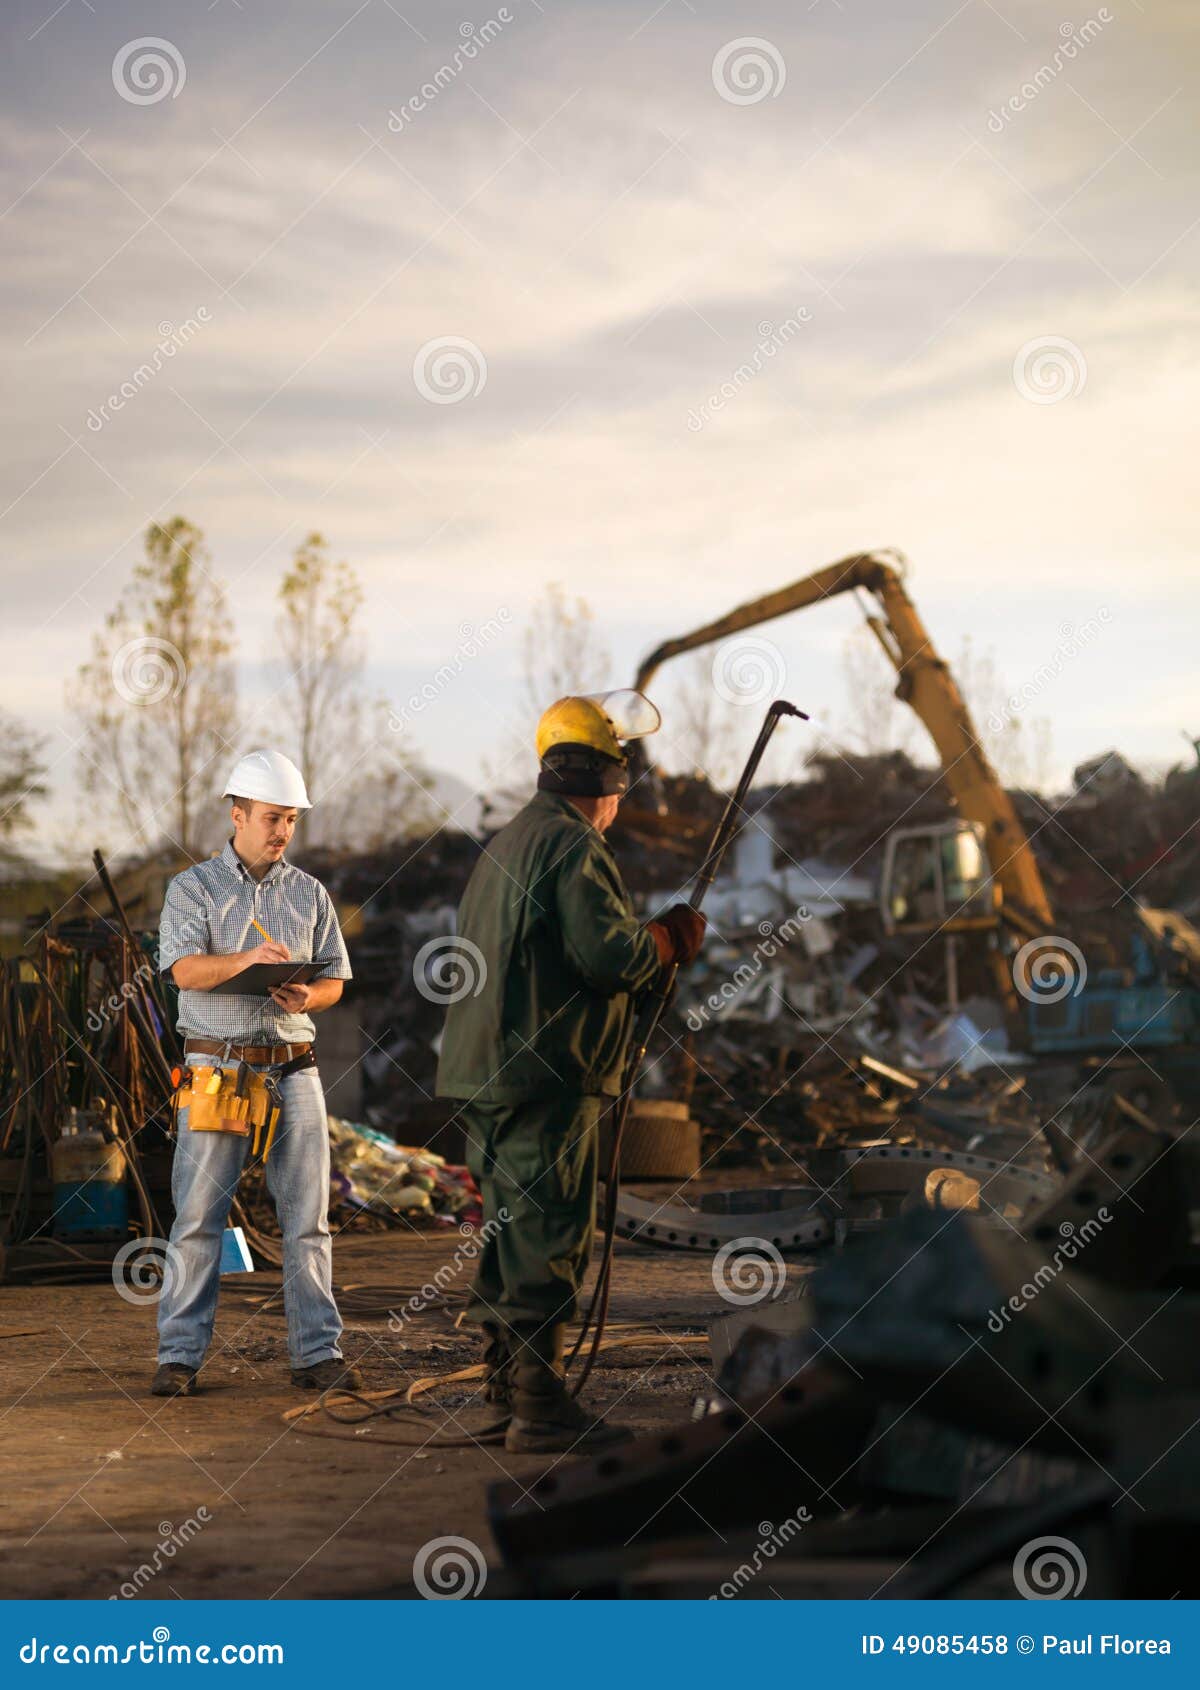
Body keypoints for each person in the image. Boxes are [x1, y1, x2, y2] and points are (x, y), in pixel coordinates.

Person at [436, 692, 706, 1453]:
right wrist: (665, 941)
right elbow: (607, 957)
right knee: (548, 1229)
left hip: (483, 1071)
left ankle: (503, 1393)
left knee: (505, 1231)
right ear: (609, 775)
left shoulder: (509, 842)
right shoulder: (574, 846)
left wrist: (650, 947)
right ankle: (539, 1408)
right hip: (543, 1073)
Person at [151, 749, 359, 1399]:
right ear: (237, 815)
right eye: (272, 818)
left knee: (307, 1220)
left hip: (293, 1068)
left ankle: (316, 1353)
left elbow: (334, 980)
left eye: (291, 820)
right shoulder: (193, 890)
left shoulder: (309, 894)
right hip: (217, 1069)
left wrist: (308, 996)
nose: (282, 832)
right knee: (197, 1218)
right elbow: (184, 971)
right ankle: (179, 1357)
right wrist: (248, 961)